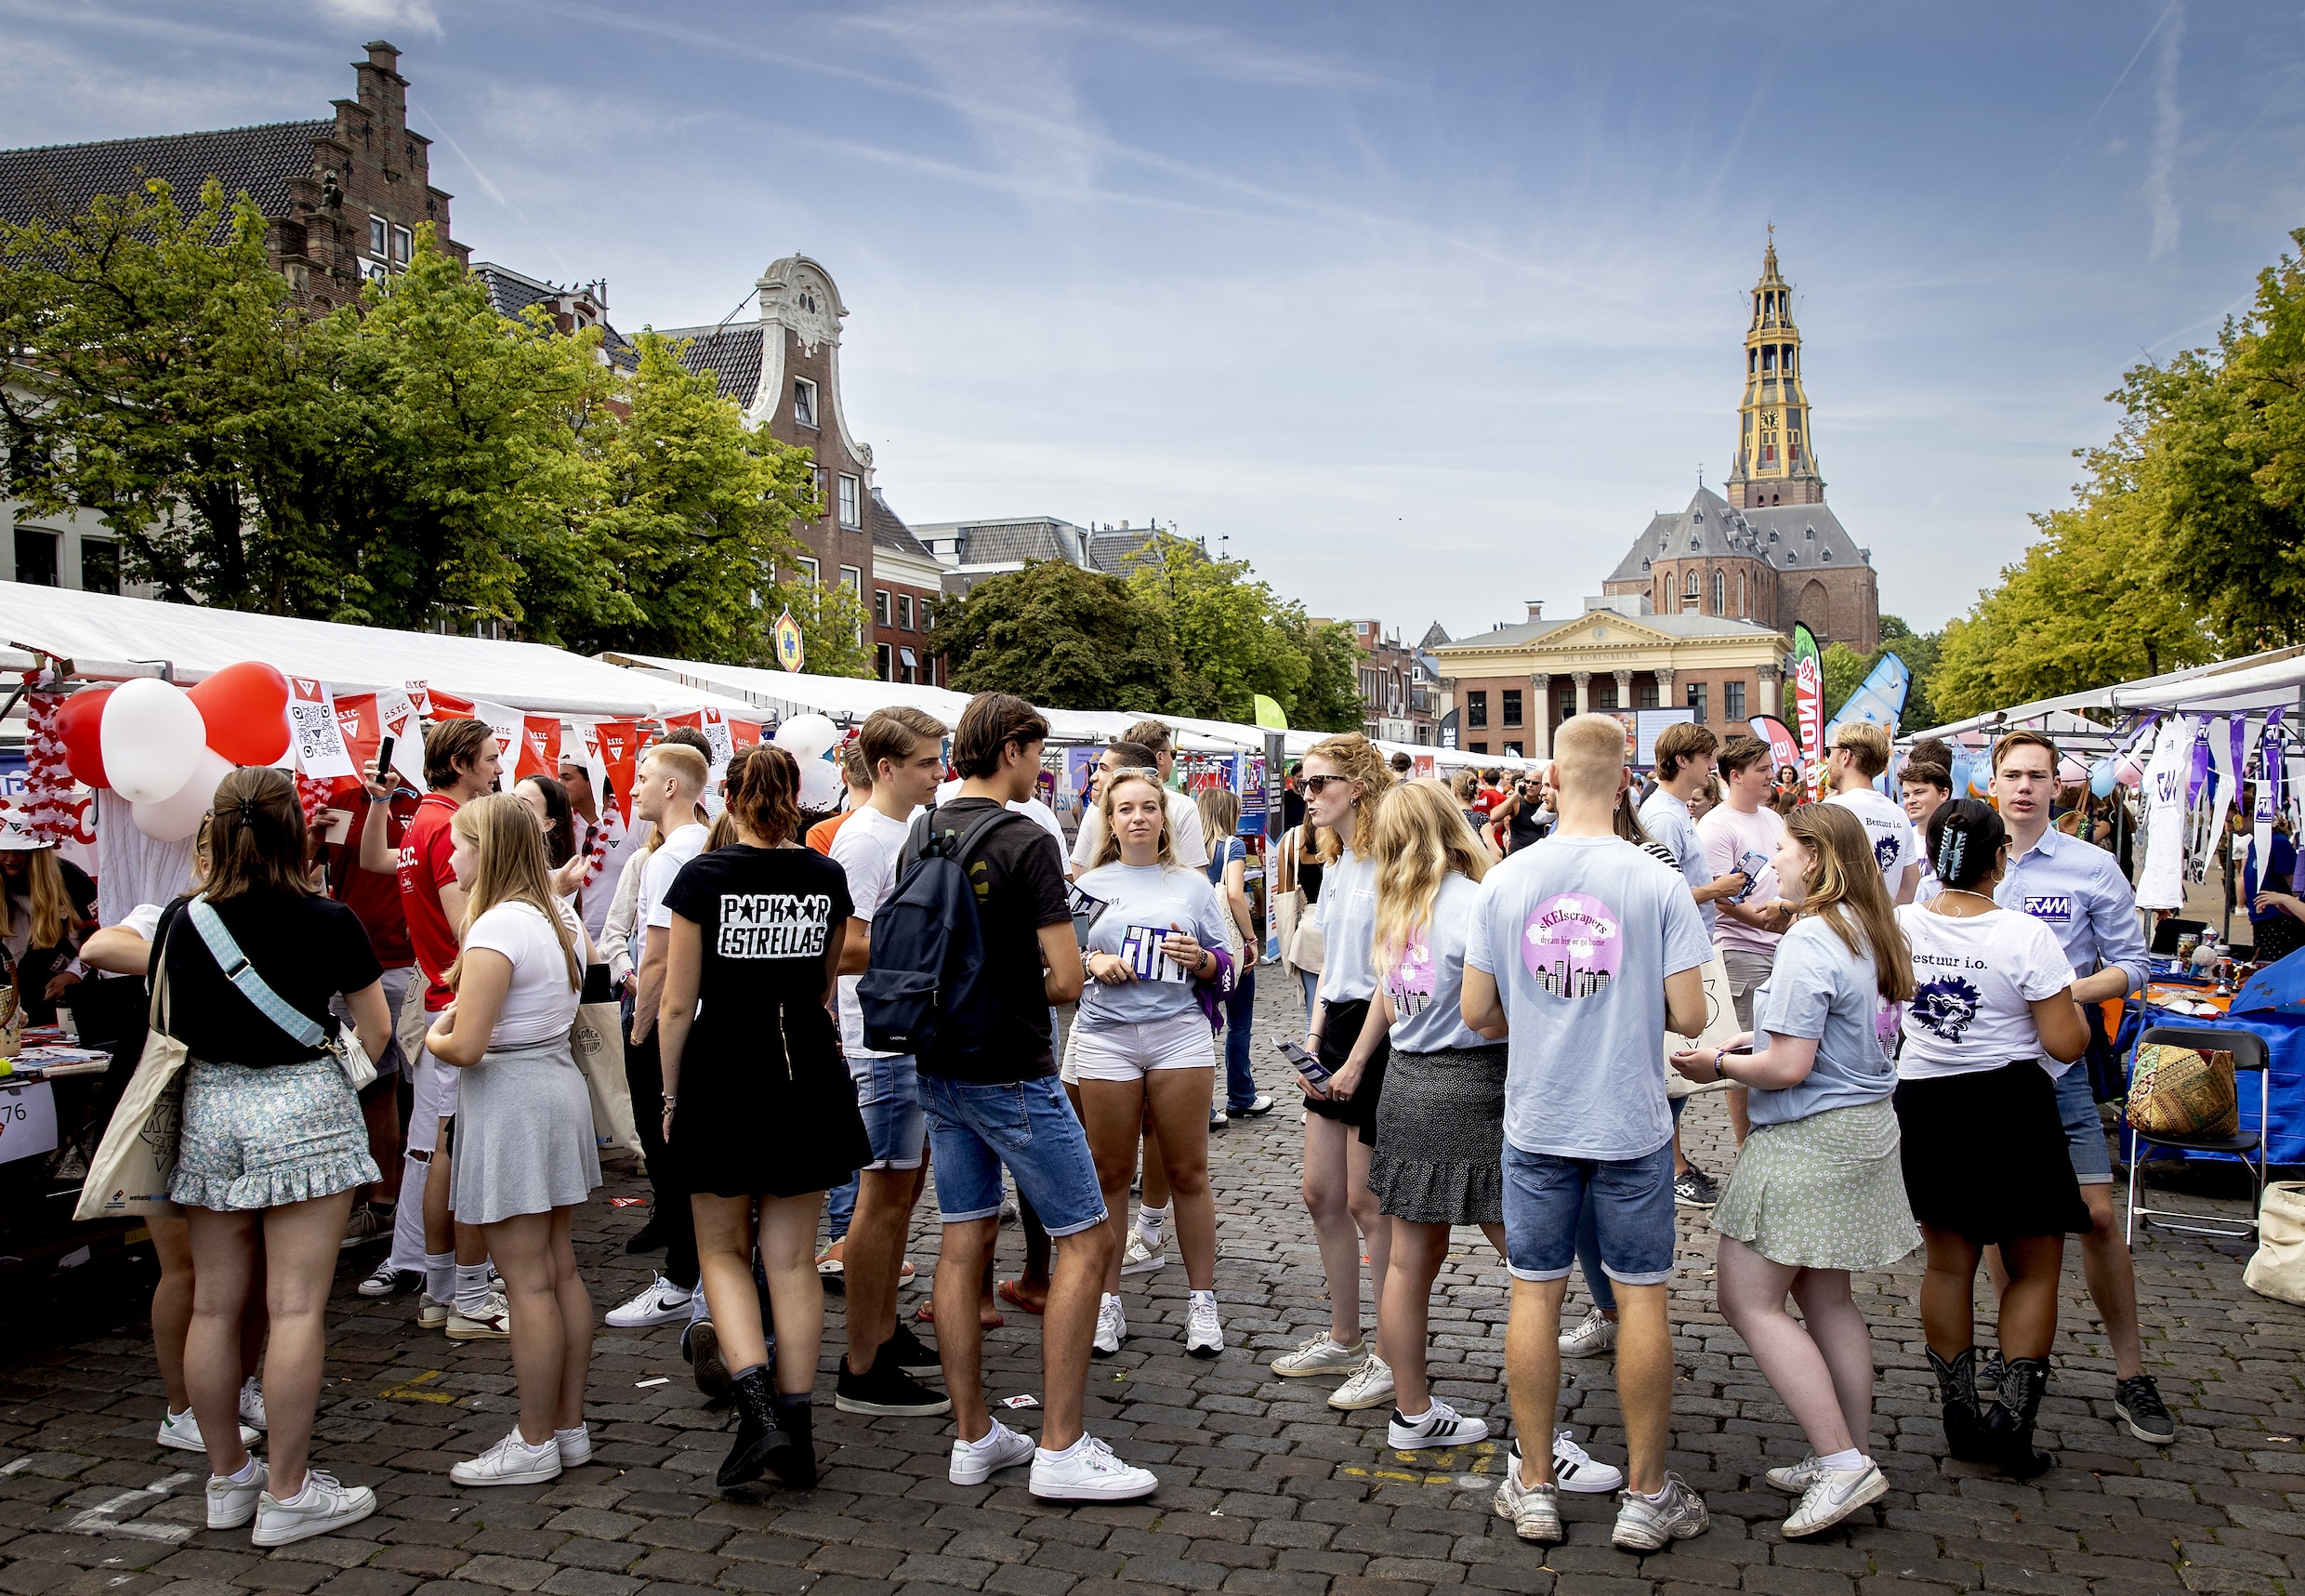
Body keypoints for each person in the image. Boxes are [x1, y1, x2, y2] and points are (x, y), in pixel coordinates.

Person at [1461, 714, 1712, 1552]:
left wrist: (1541, 1010)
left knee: (1534, 1291)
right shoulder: (1656, 881)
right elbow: (1691, 1013)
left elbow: (1474, 1011)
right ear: (1626, 779)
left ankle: (1534, 1485)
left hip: (1538, 1115)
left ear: (1554, 776)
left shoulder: (1505, 878)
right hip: (1631, 1119)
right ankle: (1645, 1495)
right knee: (1641, 1295)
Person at [916, 692, 1158, 1502]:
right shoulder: (1023, 837)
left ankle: (973, 1433)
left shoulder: (929, 827)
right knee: (1087, 1242)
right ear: (1012, 748)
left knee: (962, 1243)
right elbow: (1062, 976)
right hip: (1012, 1065)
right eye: (1037, 752)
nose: (1042, 768)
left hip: (939, 1063)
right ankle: (1061, 1444)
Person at [1669, 803, 1916, 1537]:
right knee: (1828, 1299)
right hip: (1858, 1131)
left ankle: (1842, 1462)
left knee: (1748, 1299)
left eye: (1782, 847)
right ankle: (1847, 1450)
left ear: (1814, 856)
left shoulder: (1813, 935)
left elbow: (1786, 1066)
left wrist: (1718, 1061)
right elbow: (1824, 1031)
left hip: (1808, 1139)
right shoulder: (1870, 928)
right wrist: (1758, 1034)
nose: (1772, 858)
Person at [159, 767, 390, 1546]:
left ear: (216, 830)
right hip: (304, 1110)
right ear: (298, 830)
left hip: (212, 1111)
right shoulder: (329, 919)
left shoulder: (181, 921)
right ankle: (288, 1491)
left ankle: (228, 1477)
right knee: (296, 1307)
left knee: (215, 1305)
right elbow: (378, 1032)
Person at [653, 745, 868, 1488]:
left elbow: (677, 1003)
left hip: (725, 1066)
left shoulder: (704, 877)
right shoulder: (824, 874)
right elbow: (821, 985)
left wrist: (669, 1095)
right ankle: (795, 1427)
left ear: (731, 796)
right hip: (803, 1064)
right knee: (793, 1259)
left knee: (721, 1252)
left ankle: (761, 1415)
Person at [1982, 732, 2171, 1444]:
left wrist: (2062, 992)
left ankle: (2132, 1373)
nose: (2026, 786)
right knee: (2003, 1219)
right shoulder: (1964, 858)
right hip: (1990, 1072)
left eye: (2038, 775)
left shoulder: (2093, 867)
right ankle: (2016, 1358)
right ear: (1992, 783)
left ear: (2056, 786)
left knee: (2096, 1215)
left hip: (2060, 1070)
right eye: (2013, 774)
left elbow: (2135, 965)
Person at [1895, 797, 2091, 1478]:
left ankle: (1957, 1407)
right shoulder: (2024, 934)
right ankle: (2011, 1416)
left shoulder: (1899, 926)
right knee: (2033, 1266)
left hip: (1927, 1102)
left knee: (1948, 1264)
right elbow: (2065, 1038)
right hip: (2011, 1104)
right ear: (1998, 859)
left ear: (1931, 855)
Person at [423, 795, 601, 1487]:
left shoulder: (498, 925)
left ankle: (535, 1438)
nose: (452, 856)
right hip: (550, 1087)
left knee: (528, 1279)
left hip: (515, 1098)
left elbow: (464, 1043)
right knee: (556, 1268)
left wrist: (436, 1033)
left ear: (487, 849)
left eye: (461, 845)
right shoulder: (551, 915)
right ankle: (566, 1424)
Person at [82, 837, 268, 1463]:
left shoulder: (274, 915)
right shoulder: (177, 914)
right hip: (171, 1097)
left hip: (241, 1102)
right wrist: (180, 953)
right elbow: (98, 946)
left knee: (255, 1265)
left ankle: (235, 1385)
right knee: (187, 1267)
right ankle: (182, 1407)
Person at [1359, 783, 1521, 1451]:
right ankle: (1542, 1427)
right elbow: (1494, 1013)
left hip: (1408, 1083)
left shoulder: (1396, 907)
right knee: (1529, 1257)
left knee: (1407, 1262)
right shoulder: (1476, 902)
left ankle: (1411, 1409)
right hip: (1474, 1085)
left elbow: (1398, 1010)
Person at [1073, 767, 1237, 1360]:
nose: (1138, 817)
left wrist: (1203, 960)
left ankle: (1202, 1301)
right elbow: (1060, 959)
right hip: (1106, 1036)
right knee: (1109, 1175)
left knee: (1188, 1171)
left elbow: (1232, 964)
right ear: (1110, 822)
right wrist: (1092, 961)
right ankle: (1107, 1300)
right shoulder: (1090, 883)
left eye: (1150, 806)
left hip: (1178, 1036)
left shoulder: (1192, 884)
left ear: (1165, 817)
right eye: (1125, 809)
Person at [826, 707, 952, 1419]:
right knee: (880, 1202)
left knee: (899, 1199)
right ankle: (861, 1365)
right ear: (886, 768)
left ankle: (879, 1328)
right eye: (928, 762)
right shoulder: (866, 840)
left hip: (903, 1037)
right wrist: (942, 951)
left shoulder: (904, 829)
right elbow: (845, 948)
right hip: (878, 1042)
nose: (939, 773)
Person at [362, 718, 505, 1334]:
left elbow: (375, 858)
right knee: (450, 1144)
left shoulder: (422, 818)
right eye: (492, 758)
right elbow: (463, 927)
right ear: (462, 763)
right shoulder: (451, 826)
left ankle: (426, 1265)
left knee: (431, 1139)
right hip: (450, 993)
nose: (499, 768)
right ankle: (450, 1281)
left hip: (430, 989)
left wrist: (375, 807)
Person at [1271, 733, 1396, 1412]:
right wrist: (1317, 1039)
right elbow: (1330, 969)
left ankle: (1388, 1350)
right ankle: (1346, 1335)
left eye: (1319, 782)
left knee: (1365, 1200)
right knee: (1319, 1191)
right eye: (1303, 782)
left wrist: (1353, 1058)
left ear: (1358, 784)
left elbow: (1389, 970)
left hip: (1379, 1029)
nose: (1307, 793)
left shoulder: (1384, 861)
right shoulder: (1341, 860)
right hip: (1341, 1020)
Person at [605, 741, 713, 1332]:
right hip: (696, 1019)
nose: (635, 787)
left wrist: (641, 1030)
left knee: (669, 1149)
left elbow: (657, 960)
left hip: (674, 1022)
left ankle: (680, 1277)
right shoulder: (703, 843)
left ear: (673, 787)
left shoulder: (671, 856)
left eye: (643, 777)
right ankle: (692, 1273)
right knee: (682, 1154)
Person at [1636, 722, 1750, 1211]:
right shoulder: (1662, 817)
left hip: (1689, 950)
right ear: (1683, 760)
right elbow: (1662, 896)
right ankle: (1667, 1168)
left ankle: (1667, 1166)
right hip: (1678, 956)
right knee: (1675, 1074)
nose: (1712, 766)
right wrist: (1717, 889)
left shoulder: (1673, 812)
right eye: (1707, 758)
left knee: (1679, 1074)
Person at [1699, 734, 1796, 1147]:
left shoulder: (1774, 819)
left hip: (1780, 944)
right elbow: (1720, 897)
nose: (1771, 776)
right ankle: (1745, 1146)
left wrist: (1788, 914)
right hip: (1741, 949)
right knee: (1743, 1051)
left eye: (1770, 768)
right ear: (1735, 776)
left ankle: (1772, 1136)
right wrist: (1769, 920)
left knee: (1777, 1043)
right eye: (1762, 769)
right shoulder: (1717, 826)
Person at [1197, 785, 1273, 1124]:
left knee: (1199, 1026)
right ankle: (1241, 1095)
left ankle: (1204, 1107)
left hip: (1199, 946)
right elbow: (1235, 894)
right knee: (1239, 1023)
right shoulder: (1234, 846)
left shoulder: (1188, 848)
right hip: (1230, 947)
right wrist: (1250, 939)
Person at [1067, 720, 1210, 875]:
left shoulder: (1183, 807)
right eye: (1125, 810)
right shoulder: (1182, 806)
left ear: (1162, 818)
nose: (1093, 777)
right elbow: (1196, 873)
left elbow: (1078, 871)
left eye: (1149, 808)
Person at [0, 836, 96, 1026]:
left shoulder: (70, 877)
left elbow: (102, 932)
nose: (11, 858)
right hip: (18, 987)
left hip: (75, 986)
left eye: (20, 851)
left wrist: (75, 973)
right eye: (4, 851)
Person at [1824, 723, 1920, 905]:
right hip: (1883, 928)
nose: (1827, 761)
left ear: (1846, 755)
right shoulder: (1898, 815)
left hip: (1837, 927)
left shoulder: (1831, 810)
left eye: (1829, 752)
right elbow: (1909, 887)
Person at [2246, 818, 2305, 963]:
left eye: (2232, 821)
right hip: (2262, 919)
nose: (2229, 828)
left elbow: (2295, 891)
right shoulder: (2254, 844)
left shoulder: (2279, 843)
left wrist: (2284, 899)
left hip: (2280, 925)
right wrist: (2285, 905)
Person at [1899, 762, 1952, 898]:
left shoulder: (1957, 840)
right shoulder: (1901, 839)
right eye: (1906, 795)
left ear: (1943, 794)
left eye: (1919, 792)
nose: (1911, 800)